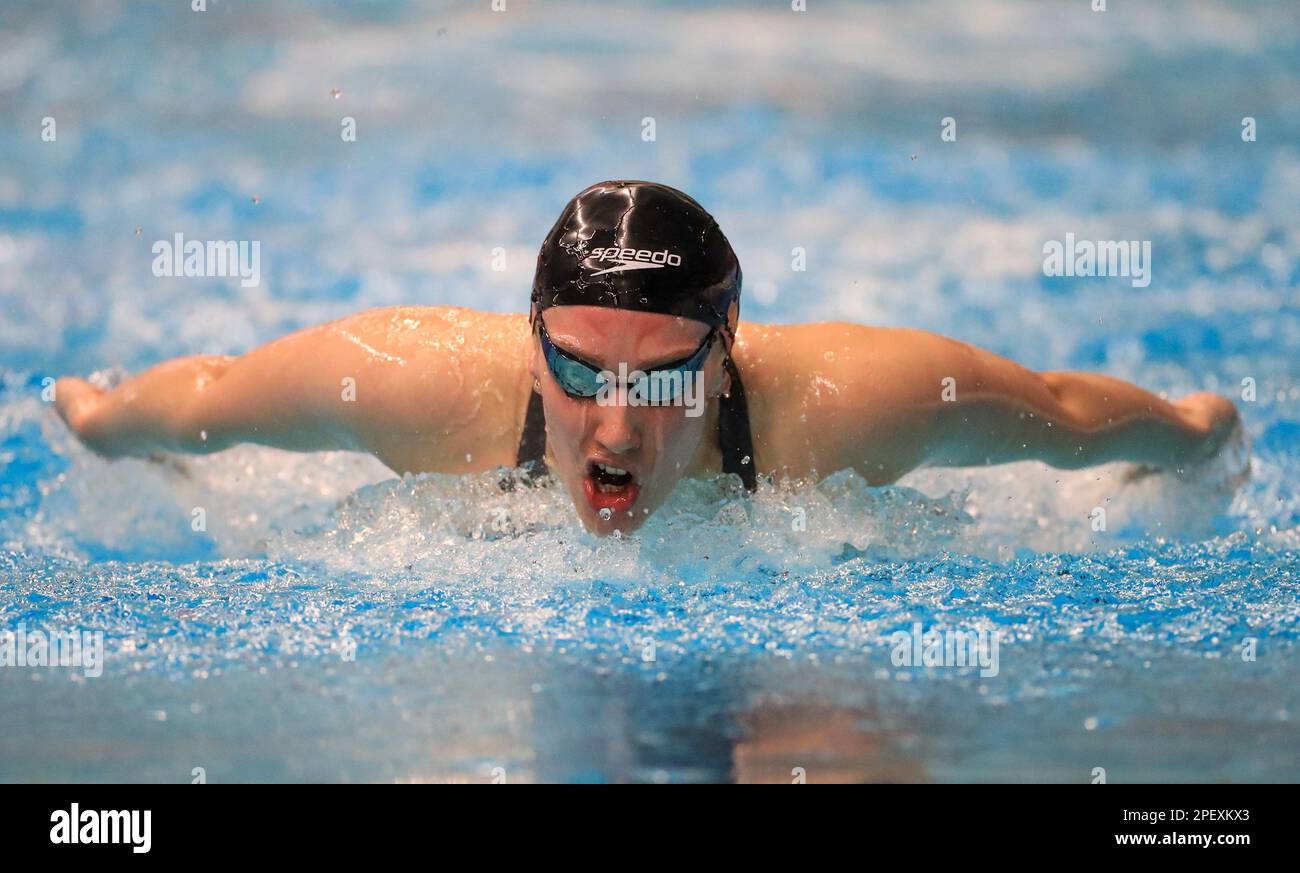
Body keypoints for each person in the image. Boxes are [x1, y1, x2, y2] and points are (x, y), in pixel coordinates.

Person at [54, 180, 1243, 535]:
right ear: (531, 354)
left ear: (727, 362)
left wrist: (1188, 435)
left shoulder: (848, 407)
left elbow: (1063, 413)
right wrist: (112, 423)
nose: (614, 425)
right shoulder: (414, 382)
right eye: (578, 371)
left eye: (665, 374)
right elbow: (210, 400)